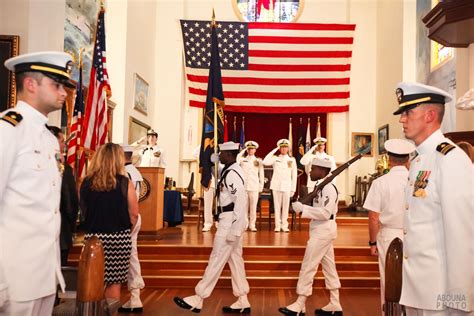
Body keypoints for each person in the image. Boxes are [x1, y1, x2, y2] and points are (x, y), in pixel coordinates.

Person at [0, 51, 73, 315]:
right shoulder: (8, 129)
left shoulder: (49, 138)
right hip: (13, 276)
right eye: (56, 85)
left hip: (43, 273)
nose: (64, 92)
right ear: (30, 84)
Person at [393, 82, 473, 315]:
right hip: (419, 290)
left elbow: (462, 234)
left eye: (408, 113)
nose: (402, 119)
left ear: (429, 115)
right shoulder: (420, 159)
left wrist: (460, 299)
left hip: (442, 294)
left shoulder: (449, 159)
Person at [174, 142, 251, 314]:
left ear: (229, 155)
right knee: (236, 261)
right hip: (228, 219)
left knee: (216, 259)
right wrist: (208, 153)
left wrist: (235, 229)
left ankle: (198, 298)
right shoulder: (230, 169)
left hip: (230, 222)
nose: (220, 156)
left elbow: (241, 201)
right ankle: (242, 299)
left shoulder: (232, 174)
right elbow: (212, 159)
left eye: (222, 154)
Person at [279, 157, 343, 316]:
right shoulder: (320, 186)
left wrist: (303, 210)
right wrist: (302, 205)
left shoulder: (329, 188)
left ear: (323, 171)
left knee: (308, 266)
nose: (310, 171)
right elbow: (317, 207)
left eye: (313, 168)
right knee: (329, 267)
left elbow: (325, 213)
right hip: (320, 230)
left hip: (323, 231)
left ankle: (299, 304)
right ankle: (335, 303)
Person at [80, 143, 139, 306]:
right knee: (114, 283)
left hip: (93, 239)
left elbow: (83, 211)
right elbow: (134, 214)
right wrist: (126, 230)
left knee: (93, 281)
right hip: (118, 239)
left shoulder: (86, 182)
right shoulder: (124, 183)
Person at [362, 138, 415, 310]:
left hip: (389, 236)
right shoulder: (416, 181)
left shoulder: (380, 183)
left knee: (388, 280)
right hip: (414, 234)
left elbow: (373, 217)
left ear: (389, 159)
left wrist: (372, 242)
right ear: (408, 159)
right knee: (411, 280)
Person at [47, 125, 80, 266]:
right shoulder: (62, 167)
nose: (64, 145)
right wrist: (73, 225)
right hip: (59, 231)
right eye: (61, 141)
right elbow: (69, 200)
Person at [118, 145, 145, 313]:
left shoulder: (124, 173)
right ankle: (135, 296)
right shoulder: (136, 172)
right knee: (132, 256)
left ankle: (134, 296)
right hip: (134, 214)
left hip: (127, 216)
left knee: (130, 257)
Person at [263, 139, 297, 232]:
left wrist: (293, 189)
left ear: (288, 148)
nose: (283, 149)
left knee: (285, 206)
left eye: (285, 147)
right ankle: (277, 225)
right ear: (279, 148)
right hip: (276, 186)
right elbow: (265, 161)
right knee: (277, 206)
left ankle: (284, 225)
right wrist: (274, 149)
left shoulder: (291, 160)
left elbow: (294, 175)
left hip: (287, 186)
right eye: (281, 147)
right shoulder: (275, 158)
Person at [237, 140, 264, 232]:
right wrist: (242, 151)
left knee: (253, 207)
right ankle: (245, 224)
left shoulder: (258, 161)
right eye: (249, 149)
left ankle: (252, 225)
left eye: (252, 149)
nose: (250, 150)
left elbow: (261, 174)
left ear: (255, 150)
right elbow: (237, 160)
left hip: (254, 186)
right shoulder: (242, 160)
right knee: (244, 207)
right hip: (244, 187)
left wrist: (261, 186)